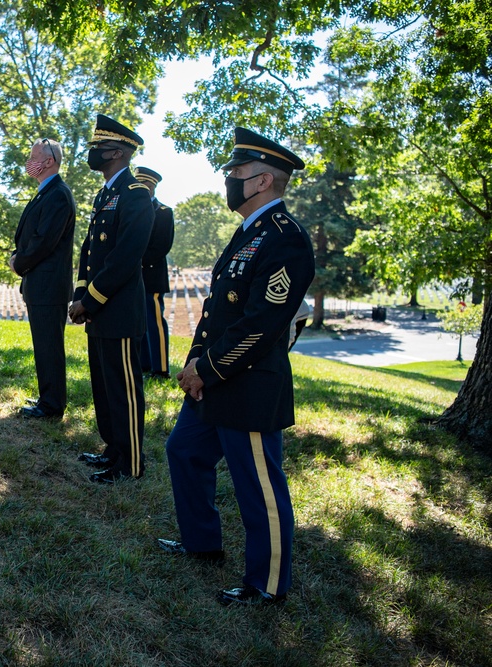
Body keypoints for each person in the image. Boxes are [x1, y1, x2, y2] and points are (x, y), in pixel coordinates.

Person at [157, 127, 315, 607]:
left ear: (263, 181)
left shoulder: (285, 239)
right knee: (184, 451)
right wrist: (194, 361)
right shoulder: (250, 232)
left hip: (247, 386)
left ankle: (268, 584)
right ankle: (201, 543)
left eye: (237, 173)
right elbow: (217, 311)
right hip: (213, 377)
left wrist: (205, 368)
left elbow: (260, 325)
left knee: (258, 487)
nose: (229, 180)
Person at [69, 114, 155, 483]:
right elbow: (90, 252)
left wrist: (89, 300)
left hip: (117, 310)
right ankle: (113, 450)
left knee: (123, 392)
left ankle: (131, 464)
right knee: (104, 388)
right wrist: (79, 294)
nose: (93, 153)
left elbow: (124, 258)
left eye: (98, 147)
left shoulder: (135, 194)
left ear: (117, 152)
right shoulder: (105, 194)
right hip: (98, 311)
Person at [10, 138, 77, 419]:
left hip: (49, 286)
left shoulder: (58, 194)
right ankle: (47, 397)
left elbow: (43, 241)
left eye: (34, 156)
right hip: (41, 284)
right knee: (44, 345)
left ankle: (52, 406)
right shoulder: (46, 192)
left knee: (49, 347)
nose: (29, 162)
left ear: (49, 161)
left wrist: (18, 262)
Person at [134, 167, 175, 379]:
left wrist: (135, 260)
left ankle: (161, 369)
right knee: (139, 321)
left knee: (155, 322)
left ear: (154, 187)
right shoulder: (132, 209)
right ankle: (144, 364)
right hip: (134, 277)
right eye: (140, 185)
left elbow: (162, 246)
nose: (144, 189)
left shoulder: (164, 212)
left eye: (147, 185)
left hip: (152, 275)